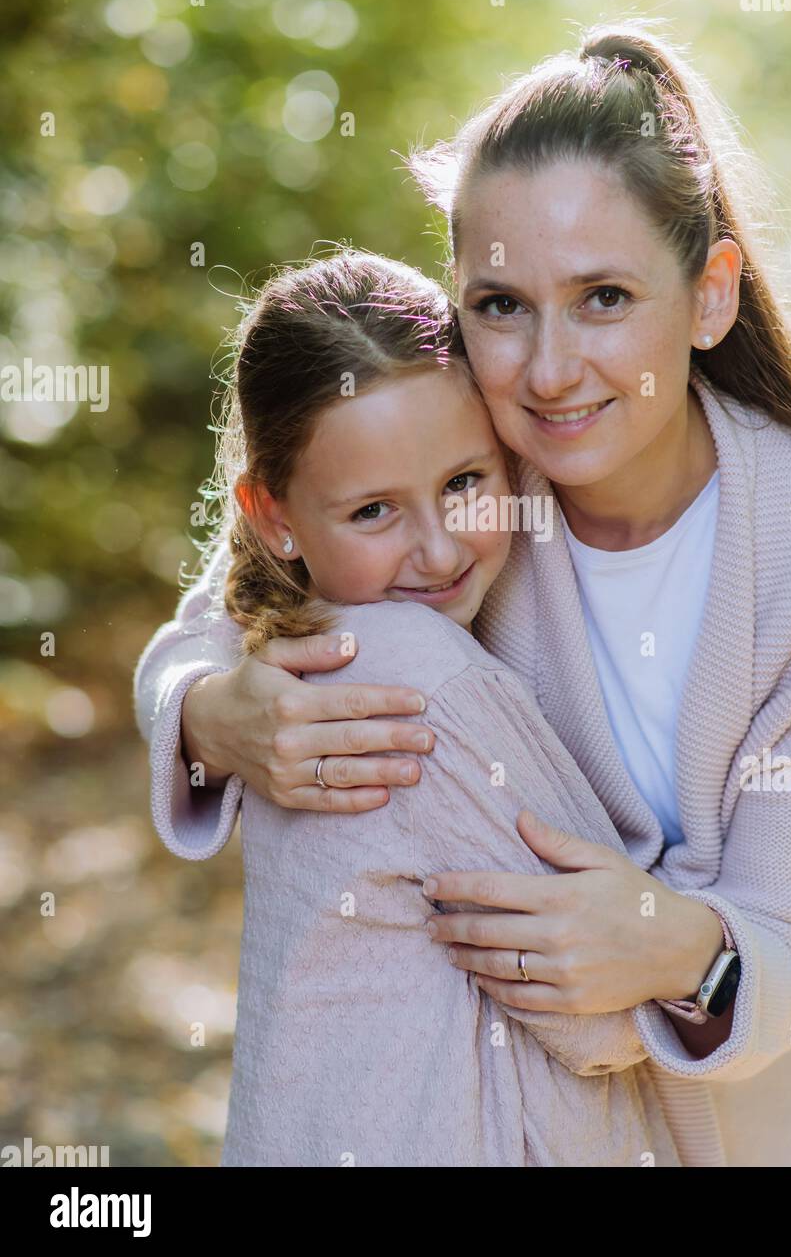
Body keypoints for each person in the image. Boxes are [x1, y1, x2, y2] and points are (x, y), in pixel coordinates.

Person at [135, 20, 791, 1166]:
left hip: (729, 1119)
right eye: (503, 303)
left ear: (710, 295)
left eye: (606, 297)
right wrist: (206, 713)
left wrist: (670, 943)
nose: (551, 369)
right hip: (492, 1099)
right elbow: (231, 595)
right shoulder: (469, 458)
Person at [151, 246, 682, 1166]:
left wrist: (195, 709)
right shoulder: (415, 672)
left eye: (463, 484)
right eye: (373, 513)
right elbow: (606, 1022)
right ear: (273, 516)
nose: (438, 554)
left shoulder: (301, 631)